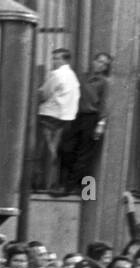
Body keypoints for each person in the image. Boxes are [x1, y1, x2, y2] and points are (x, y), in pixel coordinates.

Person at [57, 52, 111, 197]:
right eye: (99, 61)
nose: (101, 65)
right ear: (93, 61)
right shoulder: (81, 77)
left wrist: (101, 124)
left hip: (91, 118)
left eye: (105, 64)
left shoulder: (104, 82)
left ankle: (70, 188)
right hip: (75, 116)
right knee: (65, 149)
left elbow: (105, 103)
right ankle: (76, 185)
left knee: (84, 155)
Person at [33, 48, 78, 194]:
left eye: (57, 58)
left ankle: (40, 184)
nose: (54, 61)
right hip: (65, 117)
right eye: (53, 58)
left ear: (65, 60)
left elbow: (44, 93)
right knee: (55, 151)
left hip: (49, 115)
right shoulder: (72, 76)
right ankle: (52, 183)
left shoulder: (57, 74)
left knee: (45, 151)